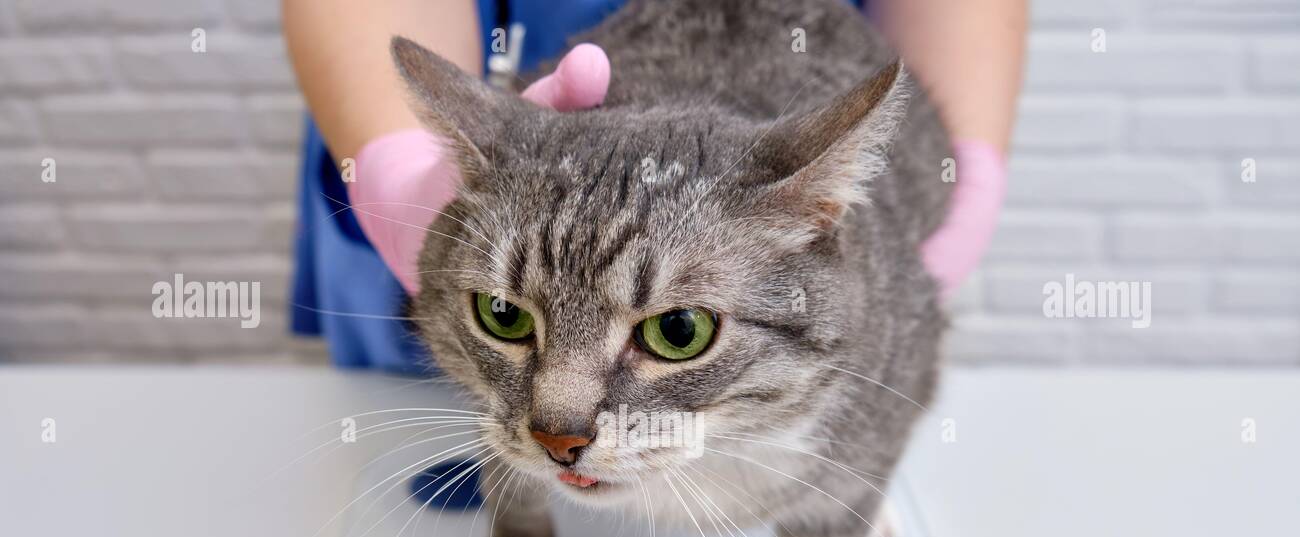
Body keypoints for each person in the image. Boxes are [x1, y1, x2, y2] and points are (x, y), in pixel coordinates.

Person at [283, 0, 1026, 373]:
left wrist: (967, 175)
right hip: (499, 151)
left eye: (677, 330)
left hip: (782, 157)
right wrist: (398, 165)